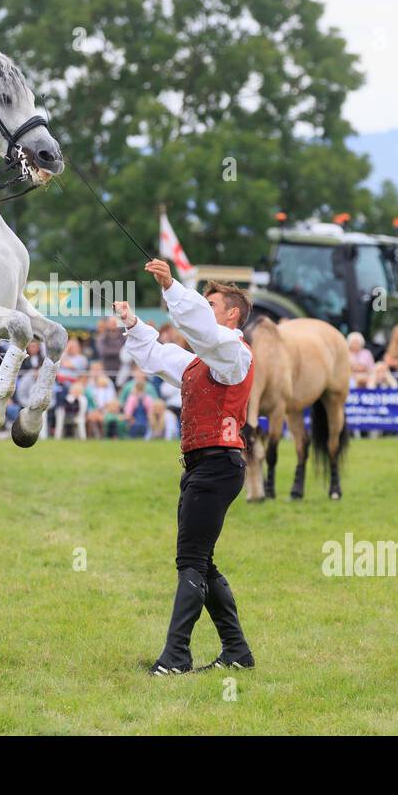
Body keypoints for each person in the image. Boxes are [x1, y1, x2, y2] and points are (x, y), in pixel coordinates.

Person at [117, 258, 255, 675]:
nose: (203, 310)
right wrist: (132, 324)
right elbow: (159, 357)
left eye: (210, 304)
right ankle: (237, 651)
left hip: (218, 465)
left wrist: (173, 287)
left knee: (191, 560)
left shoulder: (232, 353)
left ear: (231, 314)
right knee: (202, 560)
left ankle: (176, 656)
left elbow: (205, 334)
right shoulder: (203, 362)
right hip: (202, 467)